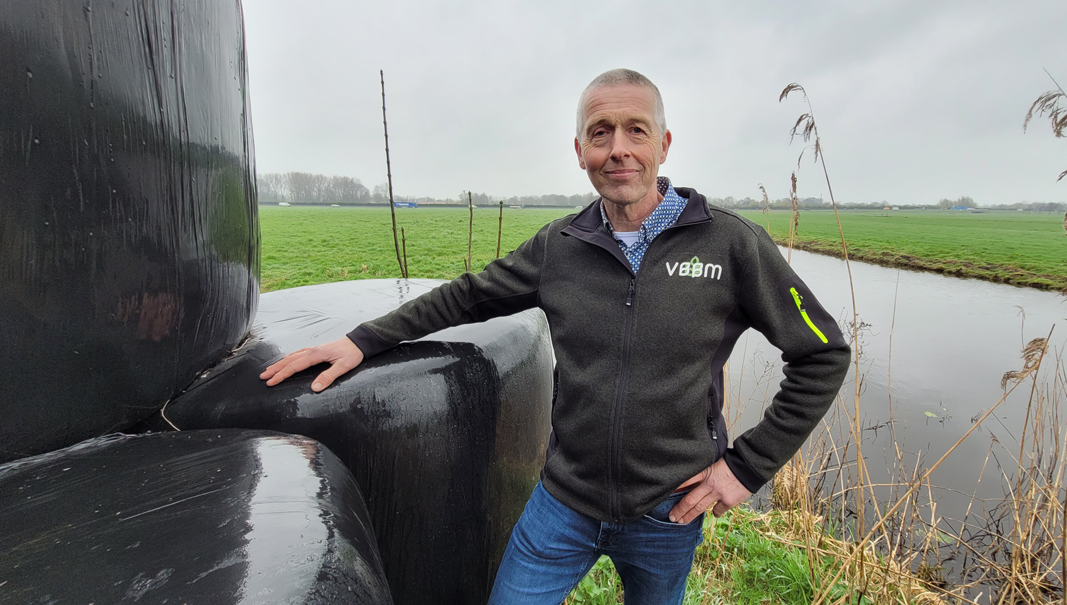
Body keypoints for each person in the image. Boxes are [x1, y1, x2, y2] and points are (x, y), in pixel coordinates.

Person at [261, 68, 851, 604]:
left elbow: (822, 354)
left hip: (669, 510)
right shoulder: (559, 246)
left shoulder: (729, 244)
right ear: (579, 151)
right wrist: (363, 340)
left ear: (664, 144)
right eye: (600, 133)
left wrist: (746, 468)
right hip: (562, 504)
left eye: (636, 130)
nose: (618, 149)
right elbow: (467, 295)